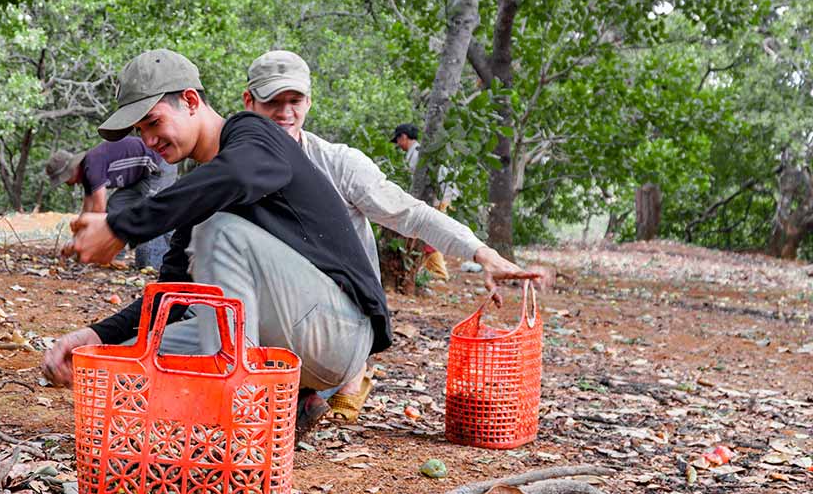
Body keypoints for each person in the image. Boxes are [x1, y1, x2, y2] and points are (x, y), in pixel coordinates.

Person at [44, 48, 393, 440]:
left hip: (339, 333)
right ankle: (281, 405)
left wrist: (123, 226)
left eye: (153, 122)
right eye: (140, 130)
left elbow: (238, 175)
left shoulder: (253, 134)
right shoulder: (203, 185)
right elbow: (171, 294)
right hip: (289, 336)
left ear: (191, 101)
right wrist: (96, 336)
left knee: (218, 230)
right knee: (132, 362)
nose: (148, 139)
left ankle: (242, 427)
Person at [241, 50, 533, 420]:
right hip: (273, 316)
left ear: (309, 102)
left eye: (294, 101)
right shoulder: (232, 166)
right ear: (249, 101)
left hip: (336, 318)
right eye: (272, 101)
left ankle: (345, 377)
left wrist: (480, 252)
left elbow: (410, 213)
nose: (285, 113)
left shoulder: (337, 162)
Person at [44, 137, 176, 269]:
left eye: (65, 179)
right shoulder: (86, 175)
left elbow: (99, 210)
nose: (67, 183)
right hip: (140, 177)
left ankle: (154, 266)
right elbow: (88, 212)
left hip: (160, 165)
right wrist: (75, 241)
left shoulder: (92, 165)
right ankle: (115, 257)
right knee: (115, 206)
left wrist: (89, 242)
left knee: (151, 212)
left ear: (72, 170)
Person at [391, 123, 453, 280]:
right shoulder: (415, 153)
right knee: (427, 235)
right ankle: (431, 271)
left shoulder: (418, 154)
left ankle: (439, 273)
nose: (398, 145)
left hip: (438, 199)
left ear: (403, 137)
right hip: (439, 198)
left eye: (398, 140)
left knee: (431, 235)